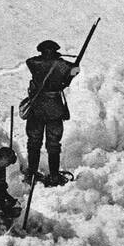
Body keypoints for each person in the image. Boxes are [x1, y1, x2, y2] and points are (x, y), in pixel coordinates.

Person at [23, 39, 81, 186]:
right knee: (54, 144)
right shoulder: (63, 65)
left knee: (33, 142)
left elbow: (30, 61)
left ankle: (32, 173)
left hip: (36, 108)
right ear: (55, 51)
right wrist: (66, 63)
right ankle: (54, 176)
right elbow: (75, 71)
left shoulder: (34, 63)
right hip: (55, 109)